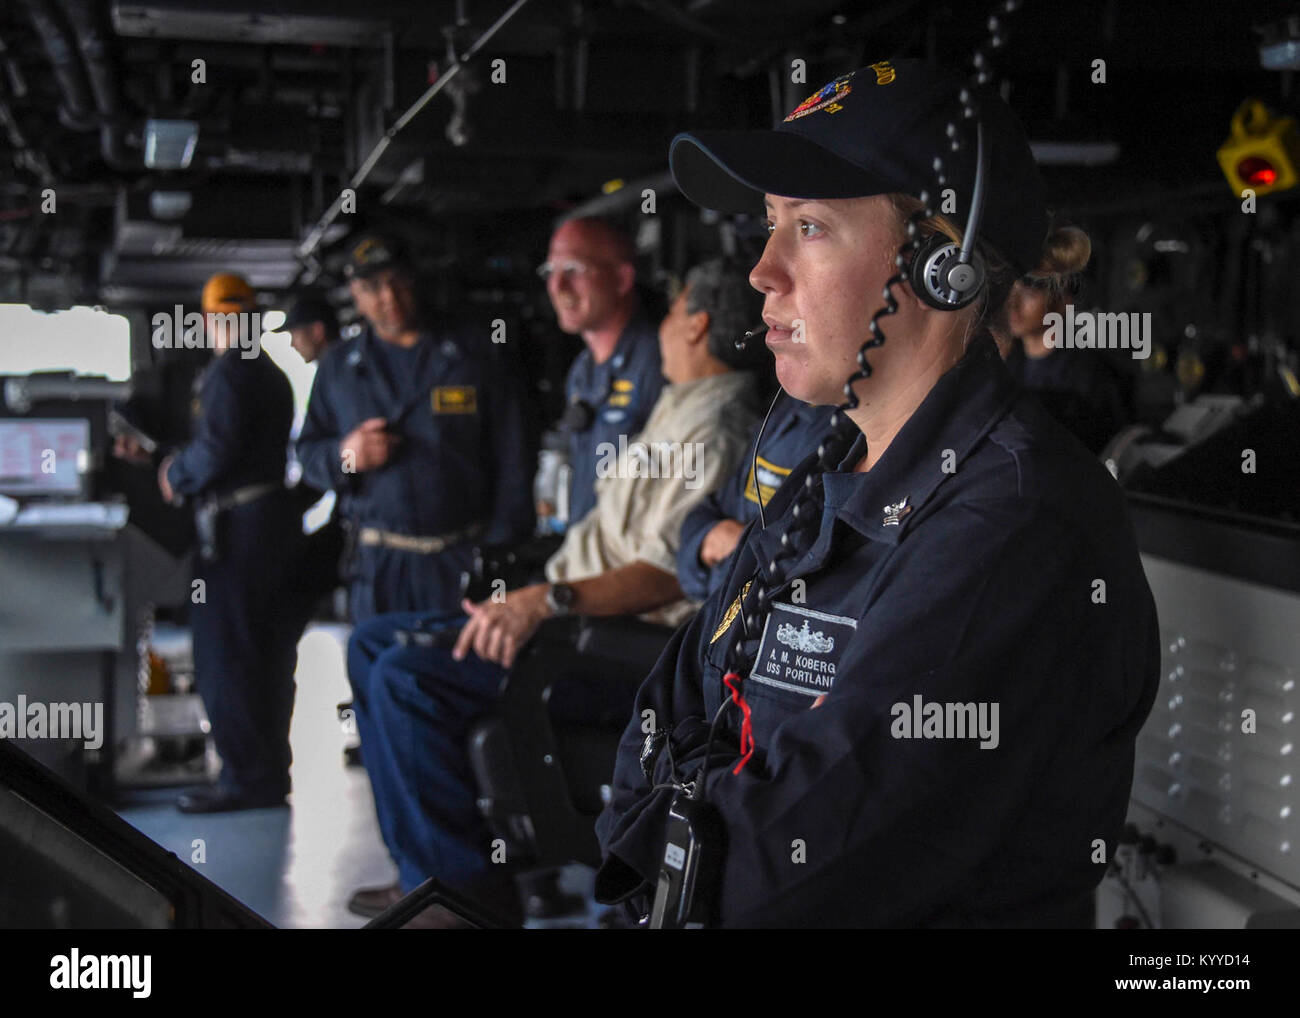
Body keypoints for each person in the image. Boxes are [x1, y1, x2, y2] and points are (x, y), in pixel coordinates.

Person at [595, 61, 1161, 928]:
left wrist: (682, 833)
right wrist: (678, 831)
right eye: (771, 225)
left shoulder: (1016, 521)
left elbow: (770, 881)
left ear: (943, 267)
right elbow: (652, 736)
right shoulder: (828, 468)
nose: (762, 272)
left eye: (810, 228)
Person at [342, 259, 765, 921]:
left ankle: (464, 901)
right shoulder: (680, 407)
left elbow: (667, 573)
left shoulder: (717, 425)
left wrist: (548, 601)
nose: (663, 326)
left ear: (698, 325)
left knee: (407, 677)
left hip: (619, 647)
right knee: (371, 642)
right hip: (567, 612)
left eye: (675, 308)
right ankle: (418, 873)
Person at [295, 234, 534, 622]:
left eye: (397, 281)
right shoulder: (339, 368)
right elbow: (307, 455)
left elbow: (515, 458)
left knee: (461, 676)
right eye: (372, 287)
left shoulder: (475, 355)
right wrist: (345, 457)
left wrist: (500, 554)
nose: (388, 297)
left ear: (415, 279)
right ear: (355, 294)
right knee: (377, 674)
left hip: (460, 560)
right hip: (378, 565)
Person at [157, 272, 303, 813]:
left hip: (237, 533)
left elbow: (216, 452)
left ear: (214, 319)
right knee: (266, 655)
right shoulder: (268, 371)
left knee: (226, 656)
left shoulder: (228, 373)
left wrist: (176, 471)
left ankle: (245, 778)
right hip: (270, 526)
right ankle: (269, 773)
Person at [540, 217, 665, 527]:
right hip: (586, 549)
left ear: (622, 279)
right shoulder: (582, 370)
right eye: (550, 271)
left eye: (573, 270)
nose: (557, 286)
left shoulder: (659, 361)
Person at [677, 397, 836, 603]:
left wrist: (744, 551)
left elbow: (805, 575)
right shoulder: (791, 404)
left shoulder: (846, 429)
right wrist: (708, 540)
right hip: (716, 615)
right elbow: (703, 515)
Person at [1002, 228, 1126, 453]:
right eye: (1013, 289)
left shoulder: (1089, 374)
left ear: (1064, 300)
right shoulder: (1009, 365)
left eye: (1030, 292)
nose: (1014, 302)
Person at [282, 290, 339, 364]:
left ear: (317, 331)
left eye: (295, 335)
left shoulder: (341, 371)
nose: (292, 344)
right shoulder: (331, 369)